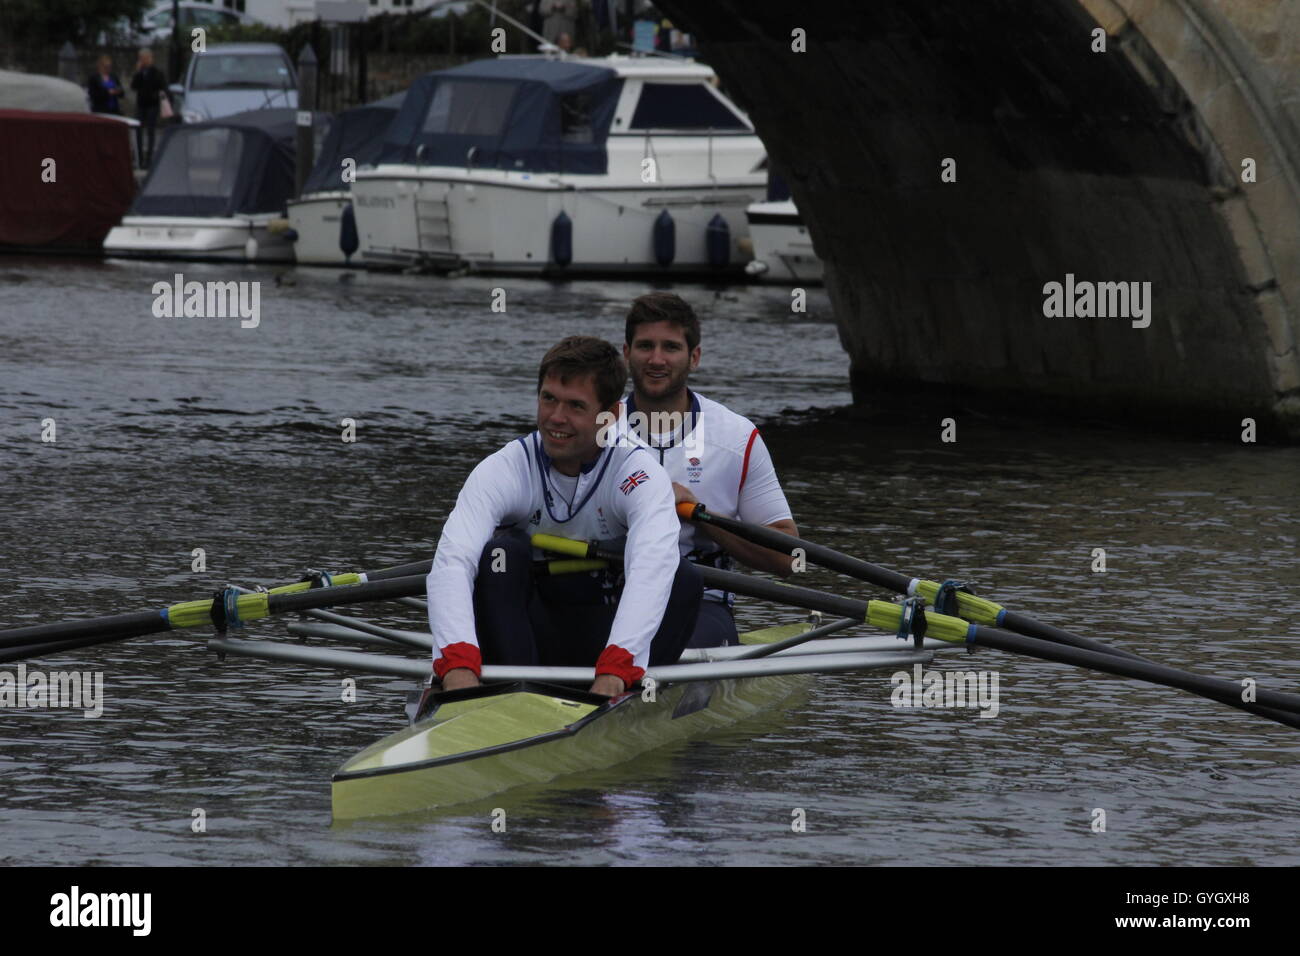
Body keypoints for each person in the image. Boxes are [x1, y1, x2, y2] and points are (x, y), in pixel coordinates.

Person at [427, 336, 701, 697]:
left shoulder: (637, 475)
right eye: (548, 399)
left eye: (575, 406)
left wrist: (615, 670)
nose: (556, 417)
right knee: (500, 555)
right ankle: (504, 692)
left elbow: (651, 566)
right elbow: (452, 560)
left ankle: (627, 692)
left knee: (681, 575)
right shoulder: (506, 467)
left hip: (610, 642)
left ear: (610, 416)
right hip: (526, 640)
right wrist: (457, 662)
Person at [618, 292, 799, 648]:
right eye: (645, 346)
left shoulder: (735, 438)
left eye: (670, 347)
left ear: (694, 357)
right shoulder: (597, 432)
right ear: (626, 353)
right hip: (613, 596)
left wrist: (699, 515)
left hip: (700, 602)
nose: (656, 359)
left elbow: (789, 557)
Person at [130, 49, 169, 170]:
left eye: (146, 58)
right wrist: (138, 72)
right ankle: (139, 158)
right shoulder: (140, 73)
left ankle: (149, 158)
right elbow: (134, 86)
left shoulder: (157, 72)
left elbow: (162, 87)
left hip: (152, 104)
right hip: (141, 104)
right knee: (138, 130)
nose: (143, 61)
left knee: (151, 130)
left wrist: (155, 95)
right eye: (141, 58)